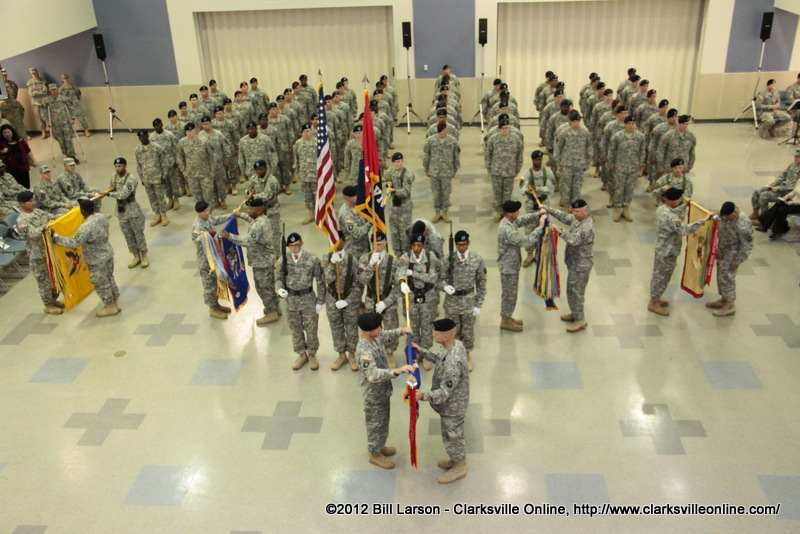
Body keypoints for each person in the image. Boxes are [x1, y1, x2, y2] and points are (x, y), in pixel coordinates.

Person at [412, 317, 470, 484]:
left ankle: (459, 466)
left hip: (453, 405)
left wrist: (423, 396)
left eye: (435, 333)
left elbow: (445, 392)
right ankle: (455, 459)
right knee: (450, 434)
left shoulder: (454, 362)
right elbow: (439, 358)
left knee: (453, 435)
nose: (433, 335)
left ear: (445, 336)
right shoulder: (453, 345)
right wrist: (422, 351)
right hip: (450, 404)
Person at [357, 312, 414, 469]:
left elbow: (386, 335)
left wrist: (401, 331)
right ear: (368, 331)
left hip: (382, 391)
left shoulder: (375, 338)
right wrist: (395, 371)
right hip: (373, 394)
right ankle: (374, 453)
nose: (381, 329)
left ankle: (379, 446)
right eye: (377, 328)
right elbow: (373, 375)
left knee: (383, 422)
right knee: (375, 424)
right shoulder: (364, 352)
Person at [52, 199, 120, 317]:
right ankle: (115, 302)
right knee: (109, 278)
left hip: (96, 258)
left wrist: (55, 236)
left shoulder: (85, 227)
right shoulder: (101, 217)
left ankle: (110, 306)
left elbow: (73, 243)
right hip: (107, 253)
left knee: (100, 282)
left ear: (83, 210)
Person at [648, 188, 707, 316]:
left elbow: (674, 213)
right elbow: (684, 230)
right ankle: (654, 302)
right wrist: (701, 222)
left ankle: (655, 298)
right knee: (662, 277)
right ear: (672, 200)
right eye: (678, 199)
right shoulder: (670, 217)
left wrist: (685, 206)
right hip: (667, 251)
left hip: (662, 248)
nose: (680, 201)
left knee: (659, 275)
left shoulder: (662, 209)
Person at [542, 200, 594, 332]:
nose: (574, 214)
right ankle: (575, 313)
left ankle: (580, 319)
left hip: (581, 266)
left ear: (586, 211)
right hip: (574, 262)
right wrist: (550, 210)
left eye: (577, 211)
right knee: (571, 290)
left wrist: (560, 231)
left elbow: (574, 240)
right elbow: (565, 217)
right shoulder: (578, 220)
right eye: (574, 211)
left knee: (577, 293)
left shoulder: (586, 227)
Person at [275, 233, 326, 370]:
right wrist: (279, 289)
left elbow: (321, 281)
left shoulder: (312, 259)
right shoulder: (283, 260)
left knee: (311, 330)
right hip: (291, 301)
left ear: (301, 244)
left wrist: (320, 301)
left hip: (308, 299)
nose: (294, 248)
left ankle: (312, 354)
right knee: (295, 330)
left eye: (296, 245)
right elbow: (278, 279)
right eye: (291, 246)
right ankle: (301, 354)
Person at [497, 200, 545, 331]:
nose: (519, 212)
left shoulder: (510, 221)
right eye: (517, 211)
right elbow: (525, 242)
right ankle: (505, 320)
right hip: (508, 267)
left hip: (512, 264)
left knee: (511, 293)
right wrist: (540, 228)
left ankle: (507, 317)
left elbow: (523, 220)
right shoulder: (506, 229)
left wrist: (538, 214)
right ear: (510, 213)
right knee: (509, 294)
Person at [442, 230, 486, 371]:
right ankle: (452, 356)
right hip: (452, 302)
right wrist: (444, 287)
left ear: (469, 243)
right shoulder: (447, 259)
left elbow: (481, 283)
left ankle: (466, 355)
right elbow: (438, 279)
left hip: (468, 301)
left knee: (467, 331)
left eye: (465, 244)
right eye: (459, 245)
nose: (462, 248)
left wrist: (478, 304)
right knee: (451, 331)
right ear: (455, 244)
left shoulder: (476, 260)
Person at [357, 231, 403, 364]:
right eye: (375, 244)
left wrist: (386, 302)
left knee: (390, 328)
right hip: (371, 300)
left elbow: (397, 287)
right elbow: (363, 280)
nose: (378, 246)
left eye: (381, 243)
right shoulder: (365, 259)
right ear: (371, 244)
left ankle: (389, 353)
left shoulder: (393, 262)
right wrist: (371, 265)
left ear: (385, 242)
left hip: (388, 301)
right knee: (371, 330)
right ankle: (373, 353)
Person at [398, 234, 441, 370]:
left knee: (427, 325)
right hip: (411, 296)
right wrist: (401, 282)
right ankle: (415, 353)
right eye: (414, 246)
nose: (416, 249)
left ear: (423, 245)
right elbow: (399, 272)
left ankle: (426, 354)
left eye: (419, 246)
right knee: (413, 326)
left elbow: (433, 277)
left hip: (428, 296)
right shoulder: (406, 258)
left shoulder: (430, 257)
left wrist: (414, 274)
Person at [15, 191, 63, 314]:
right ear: (22, 204)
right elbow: (34, 234)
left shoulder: (37, 212)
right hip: (38, 256)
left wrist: (52, 221)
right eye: (30, 201)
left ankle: (54, 299)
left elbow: (51, 217)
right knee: (44, 281)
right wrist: (46, 227)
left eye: (33, 200)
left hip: (49, 251)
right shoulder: (22, 221)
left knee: (54, 277)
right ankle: (48, 305)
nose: (33, 203)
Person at [706, 202, 753, 317]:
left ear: (735, 212)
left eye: (728, 216)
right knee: (721, 276)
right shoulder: (724, 215)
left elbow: (747, 245)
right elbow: (716, 219)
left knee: (727, 277)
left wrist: (737, 261)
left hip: (733, 253)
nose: (725, 218)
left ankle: (730, 304)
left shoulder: (743, 224)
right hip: (723, 250)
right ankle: (724, 299)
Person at [324, 239, 364, 371]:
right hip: (332, 299)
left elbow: (358, 284)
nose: (337, 245)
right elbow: (326, 279)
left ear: (344, 242)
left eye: (339, 242)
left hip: (349, 300)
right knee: (336, 327)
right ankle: (341, 355)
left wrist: (349, 300)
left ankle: (352, 355)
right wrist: (331, 264)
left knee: (352, 327)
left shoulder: (352, 260)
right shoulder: (327, 258)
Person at [191, 201, 234, 319]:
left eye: (208, 210)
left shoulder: (208, 219)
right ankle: (212, 308)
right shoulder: (198, 227)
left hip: (214, 258)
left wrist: (231, 215)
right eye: (204, 211)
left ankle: (216, 304)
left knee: (215, 283)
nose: (207, 213)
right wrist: (208, 236)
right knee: (209, 285)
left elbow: (218, 219)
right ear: (198, 213)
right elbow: (196, 241)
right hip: (206, 262)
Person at [107, 157, 148, 269]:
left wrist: (108, 194)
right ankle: (136, 256)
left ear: (125, 166)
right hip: (121, 212)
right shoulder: (113, 177)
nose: (117, 168)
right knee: (128, 235)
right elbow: (112, 187)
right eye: (115, 166)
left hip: (132, 211)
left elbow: (123, 194)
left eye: (119, 166)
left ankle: (143, 255)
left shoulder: (131, 179)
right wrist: (107, 191)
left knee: (138, 234)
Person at [520, 150, 555, 267]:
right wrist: (527, 190)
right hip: (531, 205)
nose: (538, 161)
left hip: (543, 204)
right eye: (536, 159)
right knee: (529, 230)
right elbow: (522, 187)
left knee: (543, 230)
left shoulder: (548, 173)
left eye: (539, 159)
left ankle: (538, 253)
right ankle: (529, 254)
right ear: (532, 160)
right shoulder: (527, 173)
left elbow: (550, 189)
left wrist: (538, 189)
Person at [607, 116, 645, 222]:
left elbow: (642, 151)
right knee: (619, 188)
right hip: (620, 167)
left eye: (633, 123)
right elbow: (611, 151)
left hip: (633, 167)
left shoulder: (640, 136)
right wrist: (611, 164)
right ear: (625, 124)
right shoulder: (618, 136)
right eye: (629, 123)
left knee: (629, 189)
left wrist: (641, 165)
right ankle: (618, 210)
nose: (631, 126)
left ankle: (626, 209)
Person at [486, 120, 524, 223]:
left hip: (509, 171)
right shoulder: (493, 139)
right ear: (499, 129)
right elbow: (488, 155)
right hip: (496, 171)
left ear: (509, 128)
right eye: (502, 128)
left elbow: (519, 156)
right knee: (497, 193)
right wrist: (489, 169)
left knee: (507, 194)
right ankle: (498, 212)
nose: (504, 130)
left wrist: (517, 169)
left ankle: (506, 214)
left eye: (506, 128)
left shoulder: (516, 140)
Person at [422, 122, 460, 223]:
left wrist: (455, 169)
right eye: (441, 130)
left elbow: (455, 156)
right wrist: (426, 169)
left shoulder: (452, 141)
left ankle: (445, 212)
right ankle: (437, 212)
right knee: (436, 193)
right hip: (434, 172)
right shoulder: (431, 141)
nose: (443, 132)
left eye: (445, 130)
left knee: (446, 193)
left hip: (447, 172)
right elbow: (426, 156)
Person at [554, 111, 593, 208]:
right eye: (574, 121)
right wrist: (558, 163)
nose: (576, 124)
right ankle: (566, 205)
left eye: (578, 121)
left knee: (577, 186)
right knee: (566, 186)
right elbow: (558, 148)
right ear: (570, 122)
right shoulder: (564, 133)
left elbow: (589, 147)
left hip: (579, 164)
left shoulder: (585, 133)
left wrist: (588, 162)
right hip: (567, 164)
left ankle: (574, 205)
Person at [750, 149, 800, 220]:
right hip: (780, 187)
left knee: (764, 196)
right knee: (757, 191)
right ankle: (755, 214)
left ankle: (764, 219)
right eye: (795, 156)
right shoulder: (792, 165)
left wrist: (778, 188)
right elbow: (782, 176)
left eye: (798, 157)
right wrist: (774, 183)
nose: (795, 158)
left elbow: (794, 188)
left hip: (787, 192)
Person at [135, 130, 170, 227]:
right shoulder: (138, 150)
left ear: (148, 136)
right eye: (140, 137)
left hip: (157, 177)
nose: (142, 139)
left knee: (160, 196)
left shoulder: (157, 148)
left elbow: (164, 162)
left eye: (144, 136)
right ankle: (157, 214)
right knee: (151, 197)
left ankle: (163, 214)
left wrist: (163, 176)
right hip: (147, 178)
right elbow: (139, 166)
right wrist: (142, 178)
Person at [246, 159, 282, 254]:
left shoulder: (271, 180)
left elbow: (267, 195)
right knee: (261, 236)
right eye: (257, 170)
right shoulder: (254, 178)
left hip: (271, 212)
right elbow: (249, 189)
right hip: (259, 213)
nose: (259, 171)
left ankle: (277, 257)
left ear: (266, 168)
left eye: (261, 169)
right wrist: (248, 193)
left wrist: (253, 197)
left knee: (274, 236)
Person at [384, 153, 415, 257]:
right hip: (393, 208)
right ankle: (397, 254)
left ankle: (406, 255)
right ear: (393, 163)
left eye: (400, 161)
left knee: (405, 233)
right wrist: (387, 184)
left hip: (404, 209)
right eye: (396, 162)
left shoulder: (407, 174)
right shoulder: (390, 172)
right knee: (394, 233)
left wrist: (393, 190)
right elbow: (386, 180)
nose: (398, 164)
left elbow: (406, 191)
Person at [177, 123, 216, 204]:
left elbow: (212, 156)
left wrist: (212, 170)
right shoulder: (182, 142)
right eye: (187, 131)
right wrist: (184, 171)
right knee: (197, 196)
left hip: (205, 174)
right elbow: (180, 157)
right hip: (191, 175)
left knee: (208, 196)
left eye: (191, 131)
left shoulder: (204, 141)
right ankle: (201, 214)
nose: (189, 133)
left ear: (195, 130)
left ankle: (209, 213)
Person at [149, 118, 181, 210]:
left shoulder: (169, 135)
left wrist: (176, 161)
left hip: (170, 163)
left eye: (158, 125)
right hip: (160, 166)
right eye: (155, 126)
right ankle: (170, 199)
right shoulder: (152, 137)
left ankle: (176, 199)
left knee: (174, 182)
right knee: (165, 183)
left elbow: (176, 148)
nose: (157, 127)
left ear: (162, 124)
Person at [42, 84, 80, 163]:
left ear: (58, 90)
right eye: (52, 90)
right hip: (55, 124)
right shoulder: (46, 101)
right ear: (50, 90)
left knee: (68, 139)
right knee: (61, 140)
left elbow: (72, 108)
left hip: (65, 122)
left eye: (55, 89)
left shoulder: (64, 99)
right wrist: (47, 121)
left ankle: (72, 155)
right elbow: (43, 112)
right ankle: (66, 154)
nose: (54, 91)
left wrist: (72, 118)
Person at [337, 185, 372, 261]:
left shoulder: (358, 206)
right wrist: (371, 222)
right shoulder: (345, 214)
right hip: (354, 252)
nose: (358, 196)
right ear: (348, 198)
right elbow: (357, 234)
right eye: (356, 195)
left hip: (364, 247)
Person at [294, 124, 317, 224]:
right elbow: (296, 158)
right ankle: (311, 214)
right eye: (304, 132)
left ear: (311, 131)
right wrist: (297, 171)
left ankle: (319, 214)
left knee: (317, 195)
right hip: (304, 174)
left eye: (308, 131)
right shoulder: (298, 143)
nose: (306, 133)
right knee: (307, 196)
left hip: (316, 174)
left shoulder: (318, 142)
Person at [26, 67, 49, 139]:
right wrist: (40, 91)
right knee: (39, 118)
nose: (34, 74)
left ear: (37, 73)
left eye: (35, 73)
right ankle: (43, 132)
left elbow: (45, 91)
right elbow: (31, 94)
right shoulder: (30, 82)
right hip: (36, 103)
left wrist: (36, 92)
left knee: (47, 117)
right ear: (31, 74)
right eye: (32, 73)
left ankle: (52, 131)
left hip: (44, 102)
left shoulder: (43, 81)